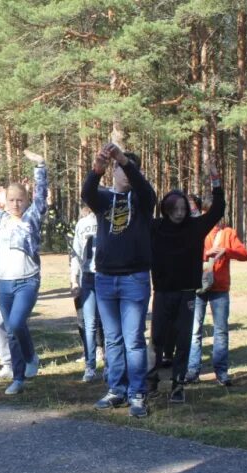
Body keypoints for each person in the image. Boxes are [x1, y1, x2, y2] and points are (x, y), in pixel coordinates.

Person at [81, 143, 156, 418]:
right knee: (112, 339)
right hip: (105, 278)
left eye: (127, 169)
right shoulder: (103, 199)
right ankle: (116, 390)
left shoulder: (143, 201)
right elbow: (87, 192)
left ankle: (138, 393)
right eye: (118, 169)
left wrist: (125, 160)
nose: (122, 173)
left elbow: (144, 188)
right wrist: (97, 169)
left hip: (134, 278)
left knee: (133, 339)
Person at [146, 163, 225, 403]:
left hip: (187, 293)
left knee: (183, 340)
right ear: (166, 209)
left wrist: (216, 182)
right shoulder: (156, 227)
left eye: (183, 208)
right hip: (162, 293)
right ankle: (151, 381)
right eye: (175, 209)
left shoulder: (196, 226)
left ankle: (178, 385)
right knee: (157, 339)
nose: (180, 213)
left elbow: (218, 208)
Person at [0, 149, 48, 395]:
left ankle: (30, 357)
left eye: (20, 200)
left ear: (26, 201)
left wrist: (40, 165)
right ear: (4, 202)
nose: (16, 204)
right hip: (4, 284)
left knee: (16, 323)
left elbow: (42, 194)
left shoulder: (33, 217)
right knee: (10, 329)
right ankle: (18, 378)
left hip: (27, 281)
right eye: (11, 200)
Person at [185, 194, 247, 385]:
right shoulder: (195, 230)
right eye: (209, 213)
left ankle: (221, 372)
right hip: (197, 287)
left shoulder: (228, 233)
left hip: (220, 289)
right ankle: (192, 371)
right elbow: (184, 252)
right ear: (203, 212)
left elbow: (245, 254)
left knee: (220, 331)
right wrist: (205, 254)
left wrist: (226, 251)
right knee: (194, 330)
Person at [70, 204, 104, 382]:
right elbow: (75, 253)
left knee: (108, 323)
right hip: (88, 277)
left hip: (106, 276)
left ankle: (111, 365)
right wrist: (74, 279)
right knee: (89, 323)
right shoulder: (82, 224)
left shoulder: (109, 220)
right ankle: (90, 366)